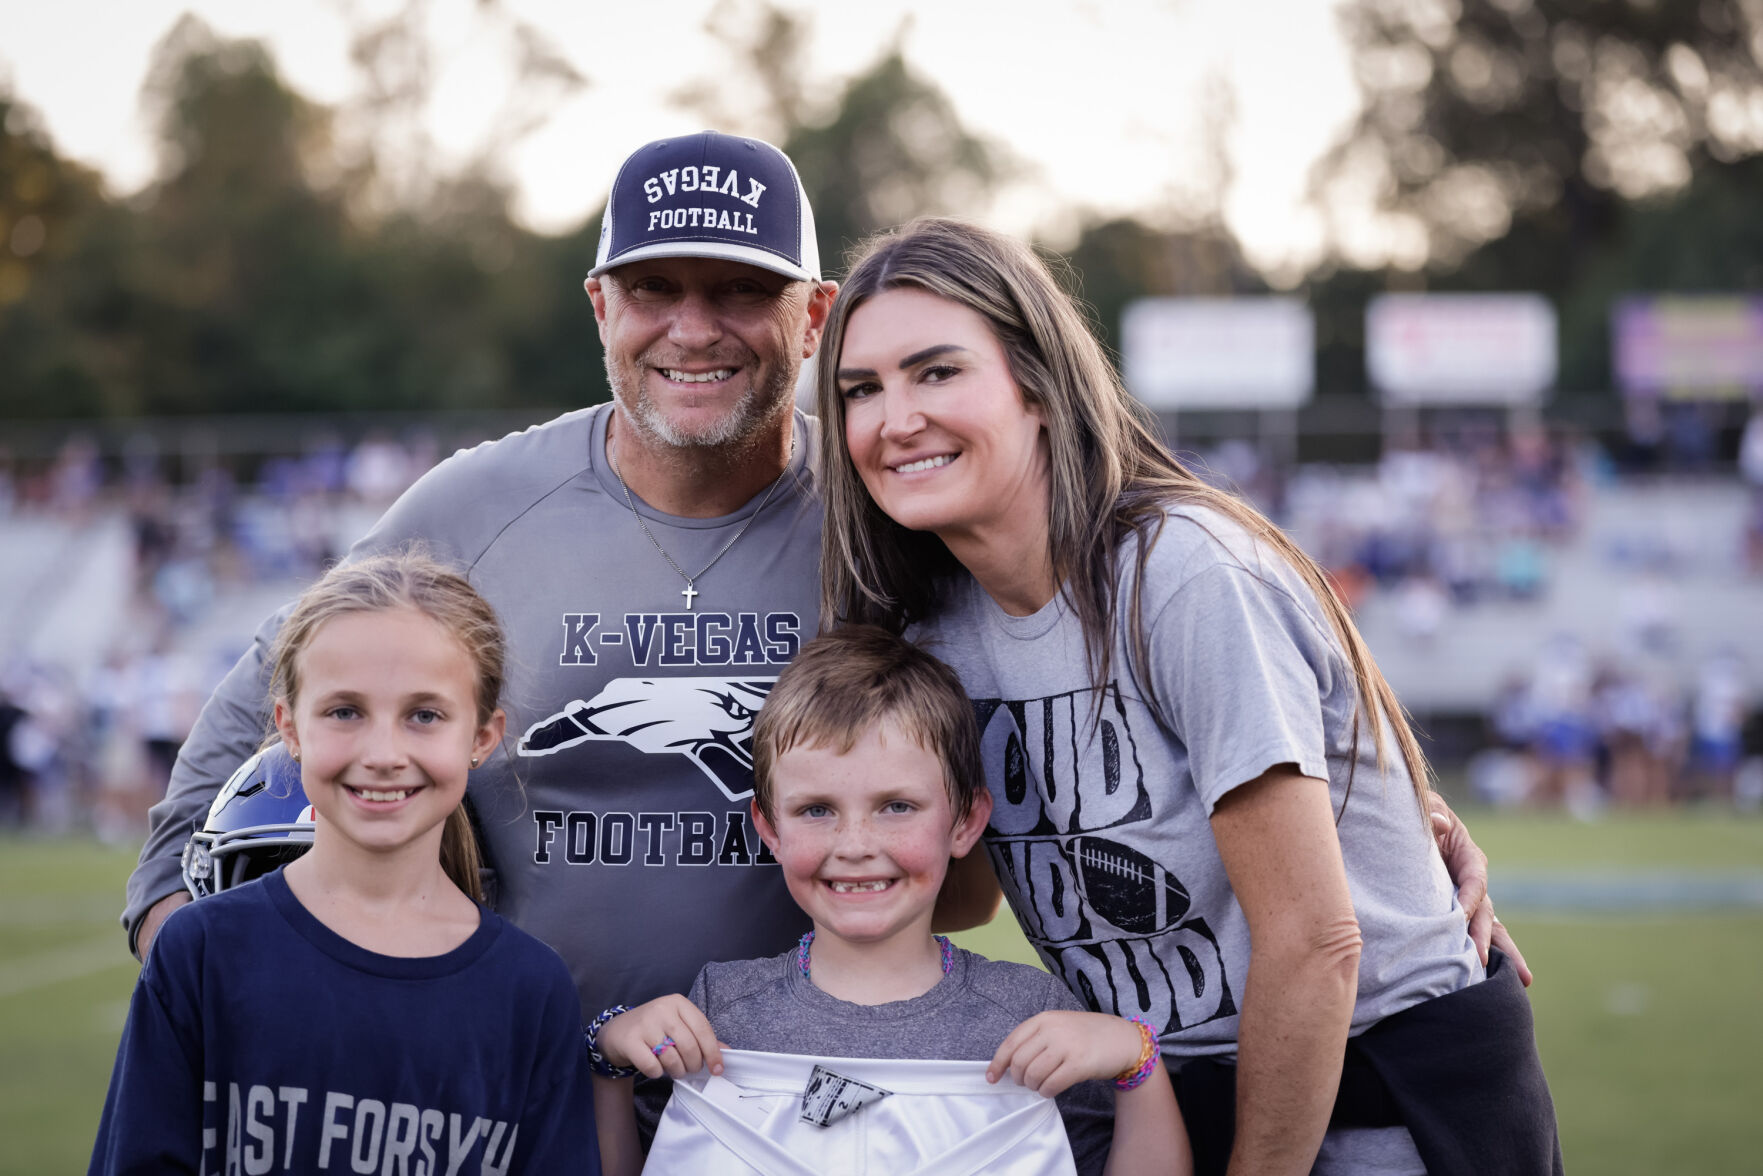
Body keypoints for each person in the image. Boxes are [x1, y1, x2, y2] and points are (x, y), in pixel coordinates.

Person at [122, 129, 1511, 1142]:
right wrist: (174, 916)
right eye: (653, 290)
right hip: (539, 1081)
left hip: (803, 1098)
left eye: (737, 292)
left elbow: (1220, 677)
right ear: (598, 305)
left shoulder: (888, 526)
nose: (694, 329)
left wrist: (1394, 810)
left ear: (807, 313)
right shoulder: (480, 503)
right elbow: (280, 676)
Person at [815, 218, 1559, 1176]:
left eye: (937, 372)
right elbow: (959, 895)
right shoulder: (932, 631)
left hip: (1376, 1092)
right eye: (860, 390)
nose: (895, 417)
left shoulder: (1181, 573)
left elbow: (1314, 942)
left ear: (1037, 385)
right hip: (1172, 1092)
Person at [587, 626, 1187, 1176]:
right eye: (816, 810)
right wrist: (610, 1056)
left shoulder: (1030, 1014)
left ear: (965, 821)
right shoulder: (721, 1008)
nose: (855, 846)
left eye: (896, 806)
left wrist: (1137, 1061)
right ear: (770, 828)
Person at [90, 553, 597, 1174]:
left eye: (424, 715)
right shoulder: (199, 952)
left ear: (482, 738)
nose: (383, 753)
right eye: (345, 711)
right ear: (290, 728)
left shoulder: (532, 992)